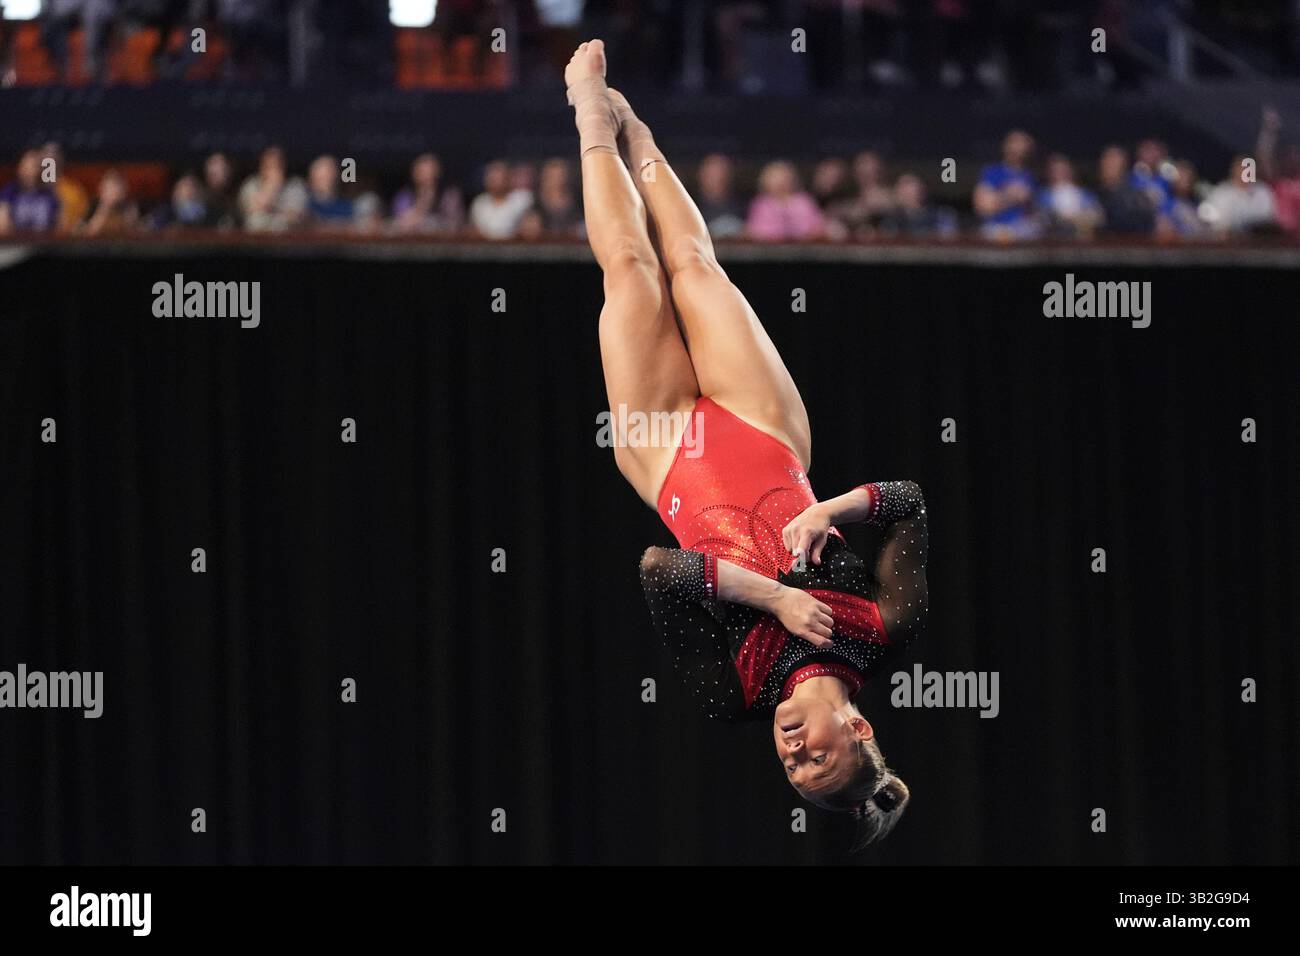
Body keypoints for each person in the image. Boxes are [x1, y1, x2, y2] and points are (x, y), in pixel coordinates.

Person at [566, 40, 929, 847]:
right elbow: (908, 502)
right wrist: (829, 509)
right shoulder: (881, 628)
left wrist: (775, 599)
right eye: (820, 761)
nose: (796, 755)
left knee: (629, 272)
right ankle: (642, 137)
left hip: (667, 462)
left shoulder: (732, 694)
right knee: (693, 263)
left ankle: (590, 113)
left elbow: (659, 571)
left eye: (794, 771)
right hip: (768, 437)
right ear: (861, 731)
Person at [973, 129, 1039, 240]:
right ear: (1006, 146)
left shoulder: (1030, 176)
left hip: (1025, 230)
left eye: (1023, 143)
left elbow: (1034, 211)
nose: (1019, 148)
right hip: (996, 227)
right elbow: (983, 207)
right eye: (1015, 143)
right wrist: (1010, 196)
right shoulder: (992, 172)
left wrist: (1028, 200)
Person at [746, 161, 825, 241]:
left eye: (784, 178)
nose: (781, 183)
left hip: (804, 248)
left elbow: (817, 227)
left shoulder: (804, 201)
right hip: (769, 249)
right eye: (776, 178)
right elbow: (756, 231)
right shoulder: (761, 204)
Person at [468, 160, 533, 240]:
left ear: (508, 177)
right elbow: (475, 230)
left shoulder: (523, 199)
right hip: (484, 248)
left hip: (516, 248)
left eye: (500, 175)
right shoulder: (479, 202)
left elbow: (529, 228)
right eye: (493, 176)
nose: (496, 180)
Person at [0, 150, 61, 234]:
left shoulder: (49, 195)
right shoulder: (9, 192)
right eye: (25, 167)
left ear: (40, 169)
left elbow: (59, 226)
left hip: (45, 243)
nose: (28, 172)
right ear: (19, 169)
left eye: (33, 167)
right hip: (15, 243)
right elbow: (2, 225)